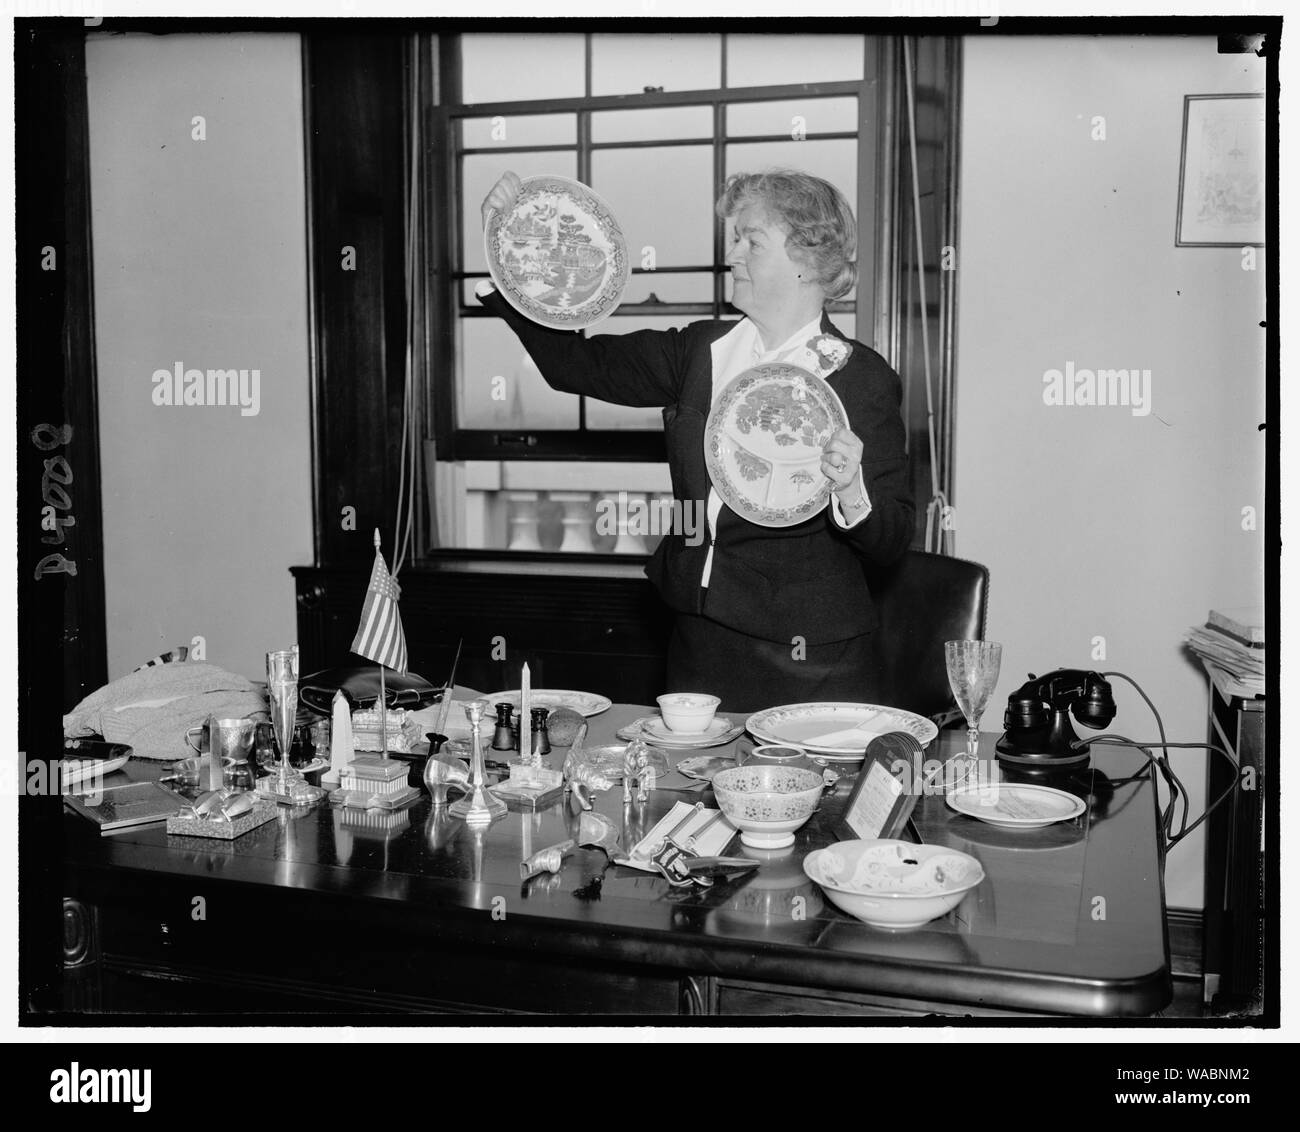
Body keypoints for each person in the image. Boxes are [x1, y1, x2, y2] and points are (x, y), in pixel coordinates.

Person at [477, 169, 914, 713]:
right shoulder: (699, 350)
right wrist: (513, 249)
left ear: (807, 258)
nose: (732, 254)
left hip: (812, 662)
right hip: (699, 641)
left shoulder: (861, 377)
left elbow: (892, 538)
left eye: (751, 241)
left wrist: (851, 488)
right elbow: (574, 364)